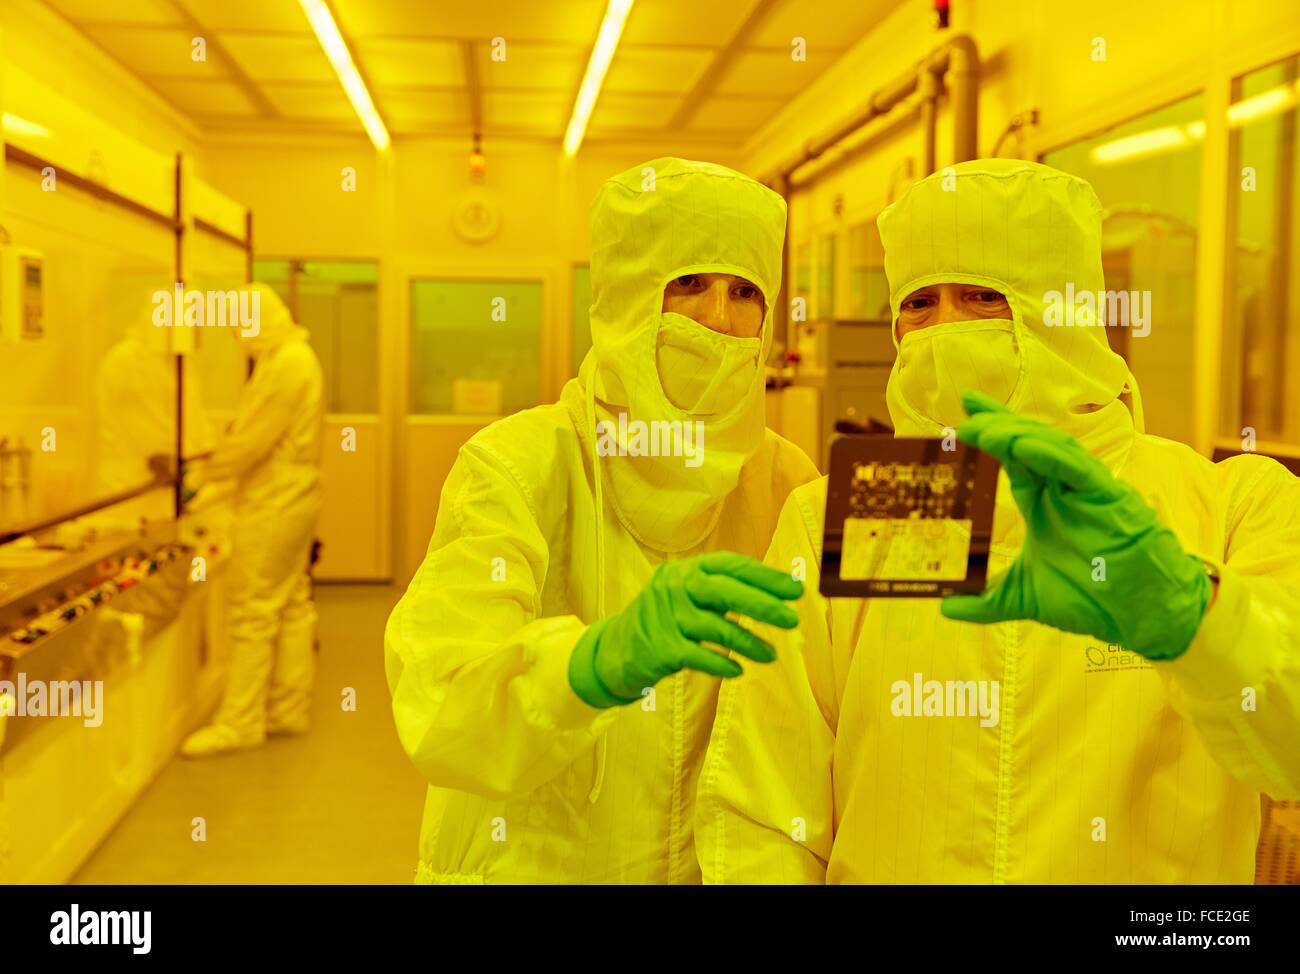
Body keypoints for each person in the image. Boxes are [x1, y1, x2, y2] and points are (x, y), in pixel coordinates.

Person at [696, 158, 1300, 883]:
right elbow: (762, 801)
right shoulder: (849, 513)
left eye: (983, 296)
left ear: (1064, 310)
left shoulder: (1231, 504)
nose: (945, 331)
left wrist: (1190, 611)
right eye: (920, 304)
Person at [384, 157, 819, 883]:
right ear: (623, 296)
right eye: (687, 285)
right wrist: (588, 667)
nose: (717, 319)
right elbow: (441, 703)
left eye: (745, 292)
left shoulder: (786, 485)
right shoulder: (520, 466)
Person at [181, 282, 324, 758]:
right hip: (290, 497)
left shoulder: (288, 365)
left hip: (275, 501)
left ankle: (240, 722)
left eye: (239, 327)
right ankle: (288, 710)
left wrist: (198, 477)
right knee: (290, 604)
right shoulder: (284, 358)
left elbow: (249, 444)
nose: (237, 337)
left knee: (253, 611)